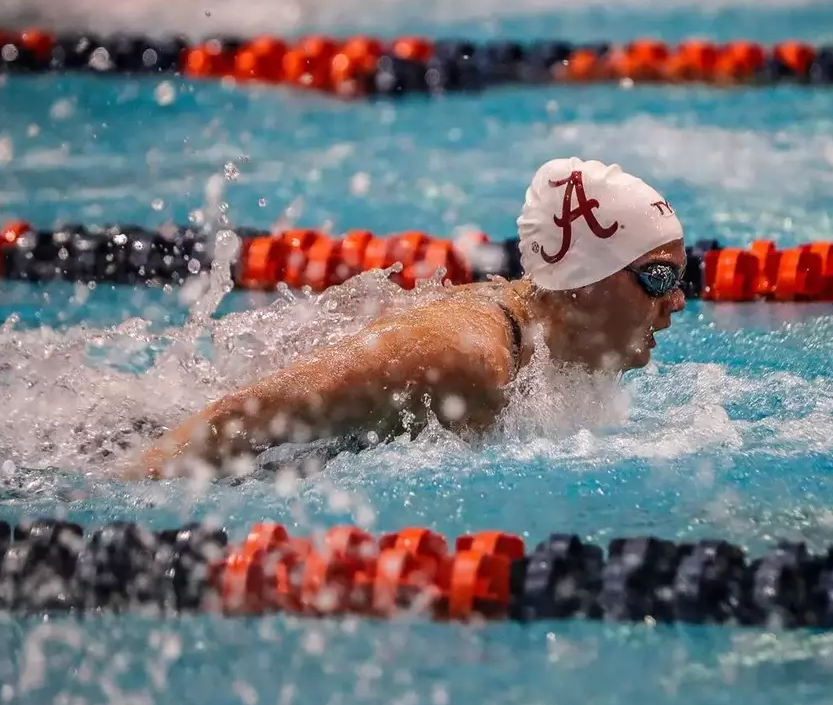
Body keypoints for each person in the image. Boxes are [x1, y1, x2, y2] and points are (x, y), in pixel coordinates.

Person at [129, 157, 686, 480]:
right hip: (136, 440)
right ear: (580, 285)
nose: (678, 301)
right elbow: (232, 419)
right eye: (658, 279)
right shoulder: (468, 358)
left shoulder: (541, 344)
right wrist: (126, 485)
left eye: (685, 280)